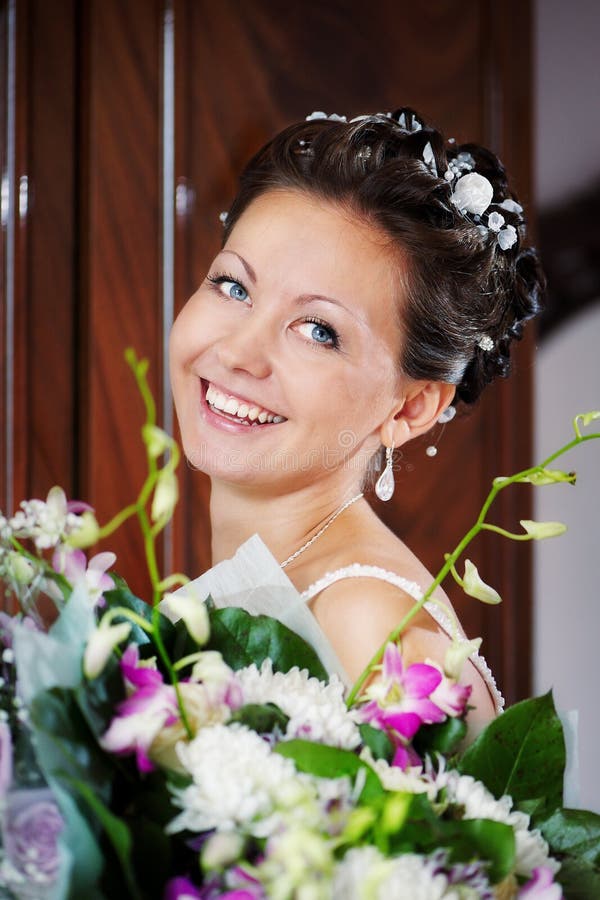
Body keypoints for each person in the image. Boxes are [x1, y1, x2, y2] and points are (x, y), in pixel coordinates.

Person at [168, 108, 544, 728]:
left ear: (411, 407)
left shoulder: (372, 630)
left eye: (318, 330)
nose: (237, 353)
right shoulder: (283, 582)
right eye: (234, 287)